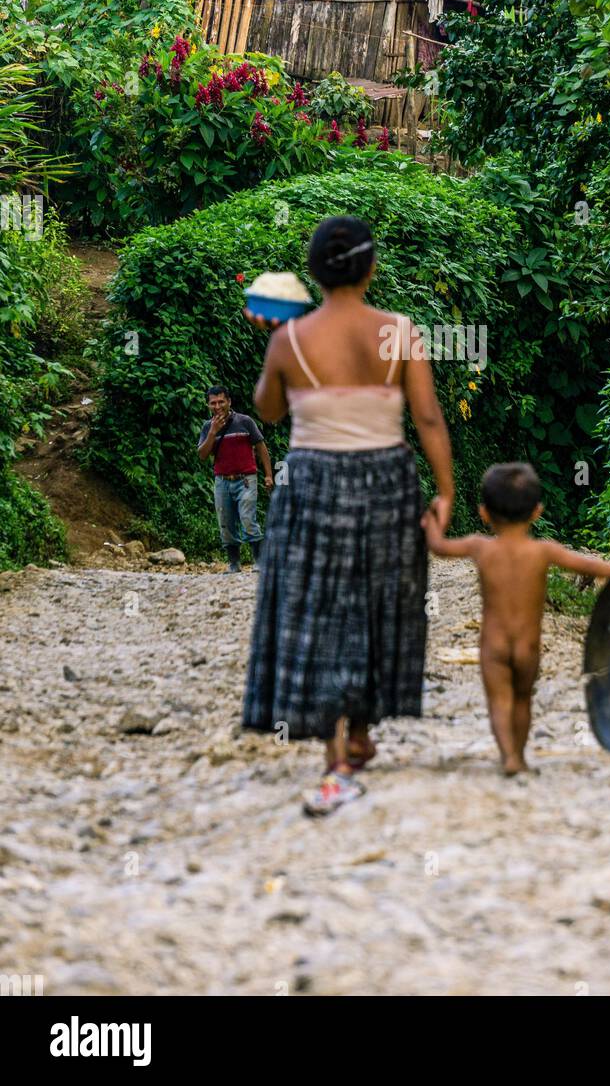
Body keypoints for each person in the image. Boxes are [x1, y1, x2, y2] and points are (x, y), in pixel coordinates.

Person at [242, 215, 454, 816]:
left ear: (314, 272)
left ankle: (338, 756)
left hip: (312, 482)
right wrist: (444, 491)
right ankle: (358, 735)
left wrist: (273, 339)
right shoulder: (399, 333)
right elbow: (429, 417)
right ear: (371, 268)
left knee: (319, 606)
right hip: (387, 478)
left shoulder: (290, 338)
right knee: (379, 599)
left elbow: (271, 411)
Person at [423, 462, 610, 776]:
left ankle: (508, 757)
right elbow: (587, 566)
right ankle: (521, 758)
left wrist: (433, 518)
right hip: (528, 648)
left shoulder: (479, 547)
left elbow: (439, 547)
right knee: (523, 700)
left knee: (500, 701)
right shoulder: (543, 551)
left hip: (494, 646)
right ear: (537, 512)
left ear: (484, 513)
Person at [198, 386, 273, 573]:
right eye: (213, 403)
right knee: (225, 523)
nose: (217, 406)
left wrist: (269, 475)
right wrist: (213, 432)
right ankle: (234, 564)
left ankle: (259, 561)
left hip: (246, 479)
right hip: (222, 481)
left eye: (221, 402)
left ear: (229, 402)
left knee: (248, 518)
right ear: (208, 405)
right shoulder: (208, 427)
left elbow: (261, 447)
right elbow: (202, 455)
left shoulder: (245, 422)